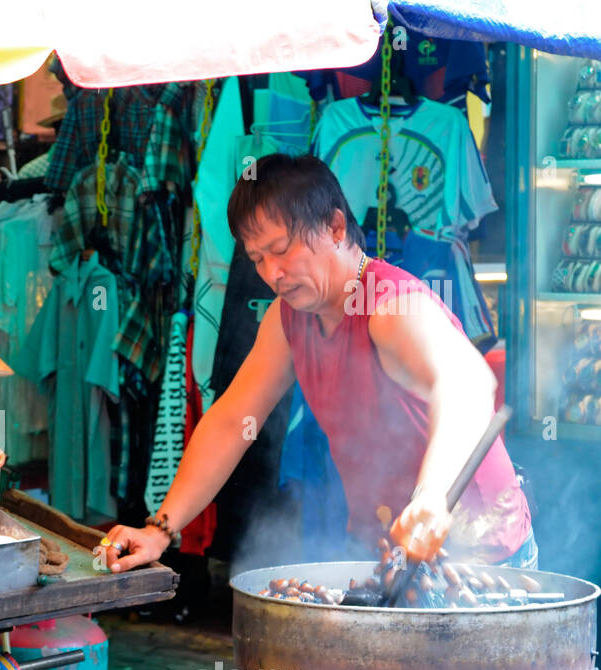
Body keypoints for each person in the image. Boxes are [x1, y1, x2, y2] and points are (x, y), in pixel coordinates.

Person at [97, 153, 534, 574]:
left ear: (335, 227)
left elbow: (470, 384)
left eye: (282, 249)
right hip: (387, 549)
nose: (272, 273)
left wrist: (430, 498)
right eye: (257, 259)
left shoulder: (389, 306)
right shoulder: (288, 320)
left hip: (481, 550)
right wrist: (160, 528)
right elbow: (233, 421)